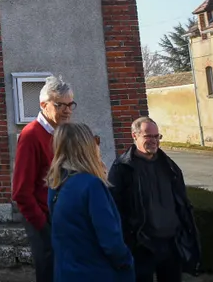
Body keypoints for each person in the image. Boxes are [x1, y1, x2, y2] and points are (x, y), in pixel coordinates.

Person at [108, 117, 201, 282]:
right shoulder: (122, 168)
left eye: (157, 136)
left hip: (172, 244)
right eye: (148, 136)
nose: (153, 141)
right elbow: (115, 209)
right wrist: (129, 240)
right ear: (134, 136)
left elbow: (182, 203)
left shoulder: (170, 167)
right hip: (142, 247)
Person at [47, 122, 134, 281]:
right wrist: (126, 262)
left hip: (66, 272)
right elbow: (110, 240)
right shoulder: (91, 185)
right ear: (86, 146)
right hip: (95, 272)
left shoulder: (57, 184)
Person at [12, 75, 76, 282]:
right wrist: (42, 225)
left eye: (70, 104)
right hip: (43, 218)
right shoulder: (31, 135)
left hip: (60, 216)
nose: (67, 110)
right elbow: (21, 192)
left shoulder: (61, 132)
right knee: (49, 271)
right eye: (60, 105)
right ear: (43, 105)